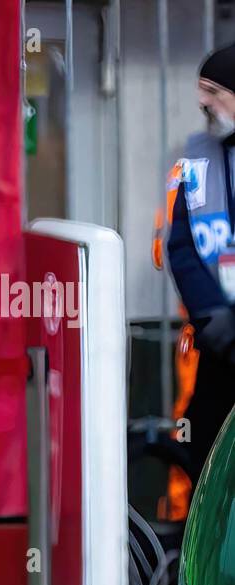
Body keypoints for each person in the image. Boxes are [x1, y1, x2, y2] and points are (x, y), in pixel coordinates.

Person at [164, 43, 235, 487]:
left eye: (212, 91)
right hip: (221, 341)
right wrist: (212, 318)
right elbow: (182, 246)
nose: (202, 101)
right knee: (205, 458)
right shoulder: (196, 158)